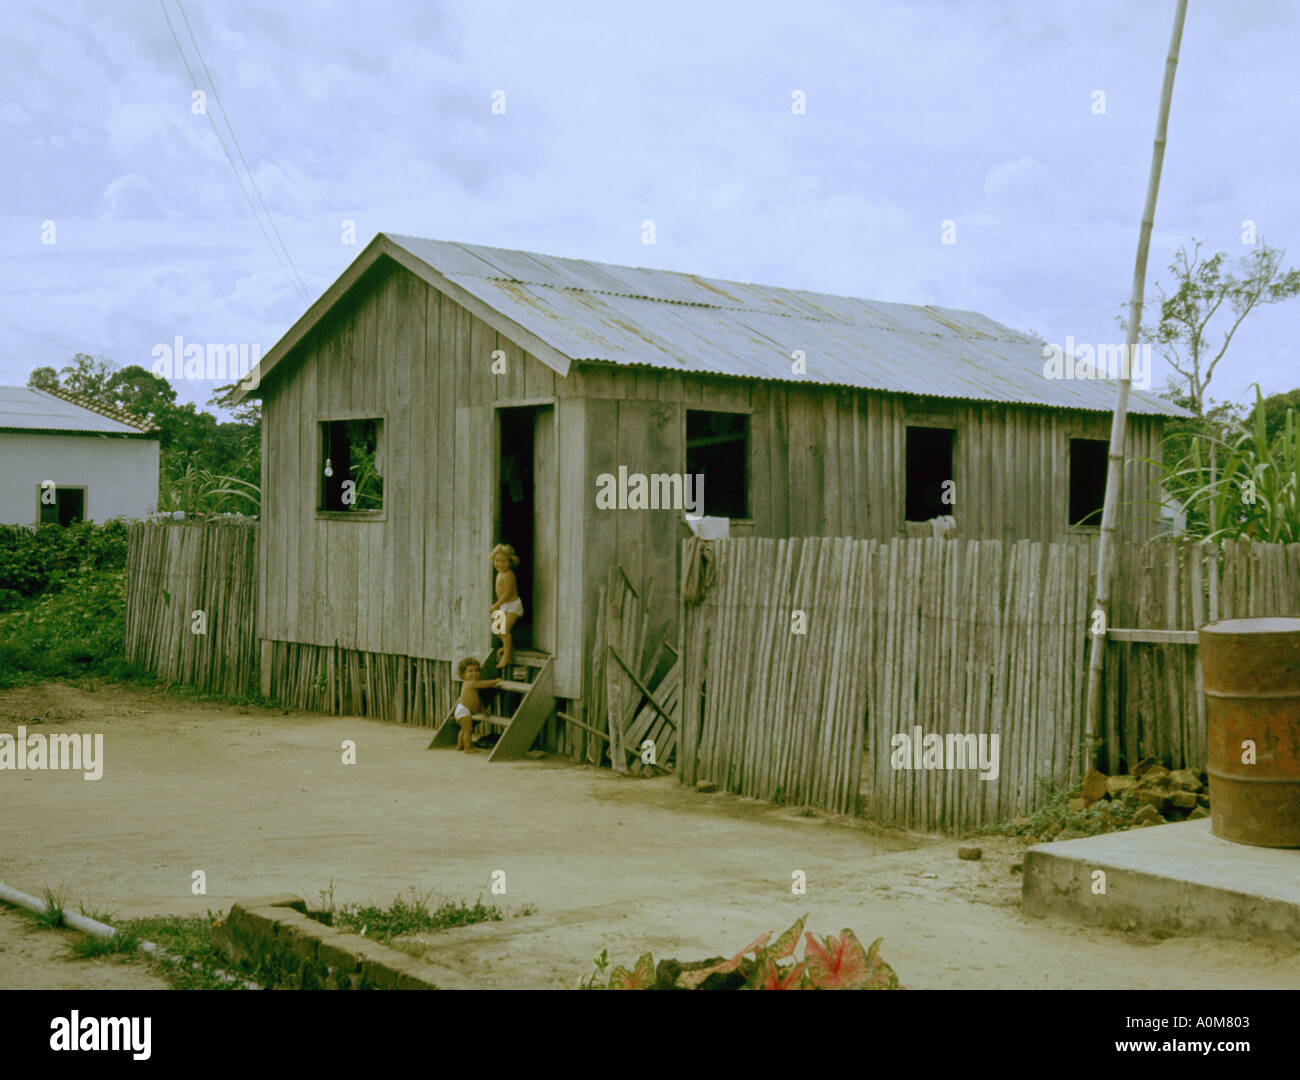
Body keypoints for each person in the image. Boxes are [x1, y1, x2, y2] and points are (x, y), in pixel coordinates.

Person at [454, 656, 500, 753]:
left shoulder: (471, 685)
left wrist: (483, 709)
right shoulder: (470, 683)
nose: (474, 673)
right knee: (468, 730)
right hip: (464, 710)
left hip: (463, 710)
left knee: (464, 729)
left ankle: (460, 745)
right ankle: (467, 748)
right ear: (463, 675)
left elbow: (477, 700)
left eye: (476, 670)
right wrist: (495, 681)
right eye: (470, 671)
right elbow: (484, 684)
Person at [489, 543, 523, 667]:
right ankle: (508, 646)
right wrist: (499, 606)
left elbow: (508, 593)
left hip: (513, 605)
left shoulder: (509, 574)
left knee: (504, 629)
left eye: (503, 561)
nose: (500, 564)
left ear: (510, 562)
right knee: (496, 628)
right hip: (504, 605)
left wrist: (496, 604)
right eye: (497, 561)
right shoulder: (500, 574)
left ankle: (506, 656)